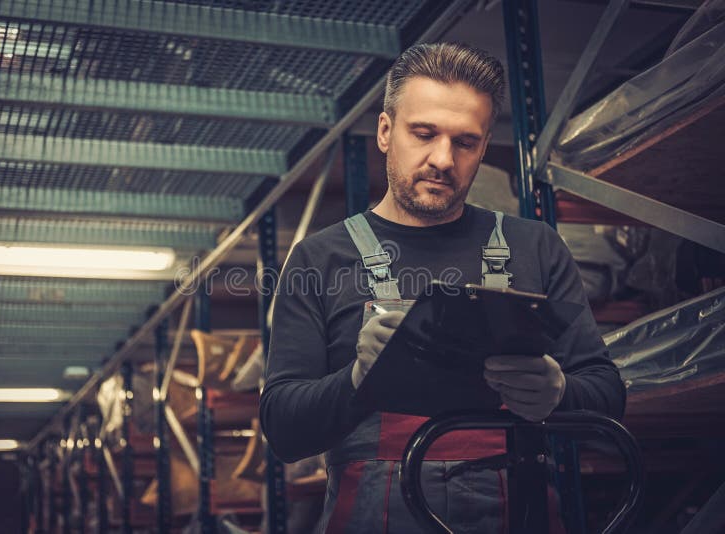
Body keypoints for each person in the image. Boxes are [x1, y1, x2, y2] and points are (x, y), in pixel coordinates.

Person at [260, 42, 626, 533]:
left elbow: (607, 394)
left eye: (465, 142)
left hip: (518, 512)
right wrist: (355, 381)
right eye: (424, 133)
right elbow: (283, 430)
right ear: (386, 132)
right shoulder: (319, 259)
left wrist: (558, 394)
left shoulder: (535, 247)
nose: (443, 159)